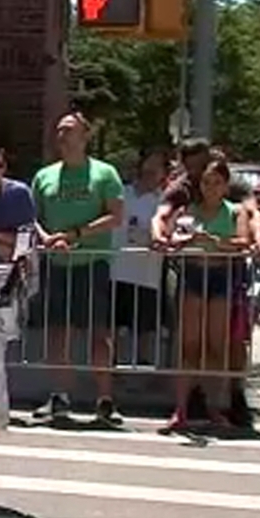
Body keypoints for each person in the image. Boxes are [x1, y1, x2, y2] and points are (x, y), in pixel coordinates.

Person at [29, 111, 125, 426]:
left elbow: (115, 216)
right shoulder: (44, 176)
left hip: (92, 263)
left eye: (69, 130)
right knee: (58, 333)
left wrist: (75, 234)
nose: (62, 135)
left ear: (85, 136)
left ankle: (105, 400)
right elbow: (33, 216)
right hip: (56, 264)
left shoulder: (104, 173)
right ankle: (59, 396)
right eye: (59, 130)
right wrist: (47, 238)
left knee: (99, 333)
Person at [152, 155, 252, 431]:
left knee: (216, 346)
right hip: (193, 274)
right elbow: (170, 235)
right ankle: (181, 408)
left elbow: (243, 241)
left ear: (225, 185)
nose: (211, 188)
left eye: (217, 182)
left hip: (221, 276)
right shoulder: (188, 210)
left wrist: (217, 242)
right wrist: (184, 239)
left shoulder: (235, 211)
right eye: (207, 182)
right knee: (189, 345)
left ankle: (215, 407)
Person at [112, 148, 169, 365]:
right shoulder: (121, 193)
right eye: (149, 163)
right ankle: (112, 366)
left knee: (145, 325)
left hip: (147, 272)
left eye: (157, 166)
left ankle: (144, 366)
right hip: (117, 268)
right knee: (114, 323)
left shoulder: (164, 200)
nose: (151, 169)